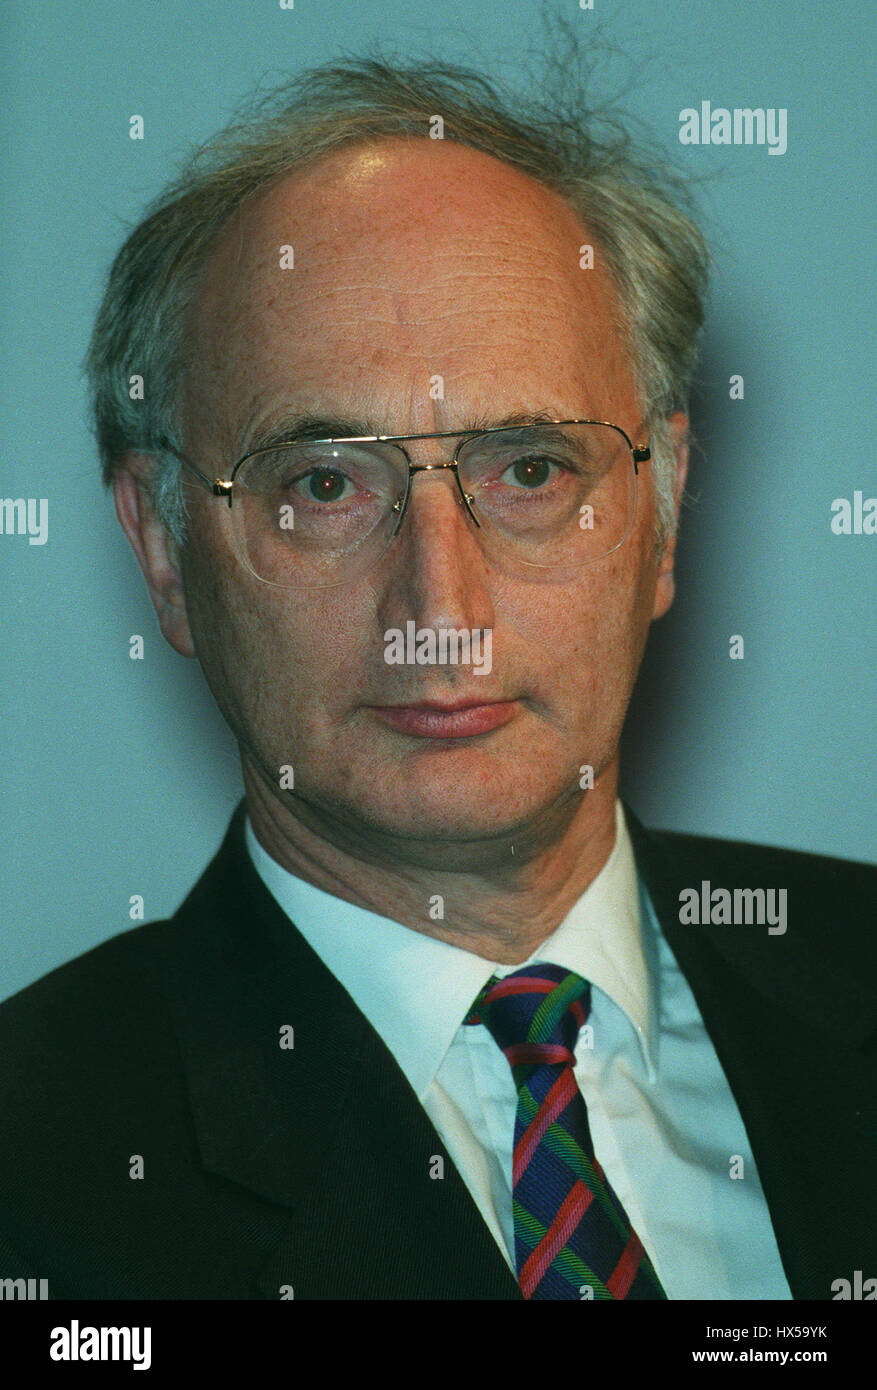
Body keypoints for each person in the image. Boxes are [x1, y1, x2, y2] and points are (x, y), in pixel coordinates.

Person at [0, 53, 873, 1302]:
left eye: (528, 472)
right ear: (166, 550)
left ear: (665, 516)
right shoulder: (38, 1176)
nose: (439, 611)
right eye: (325, 485)